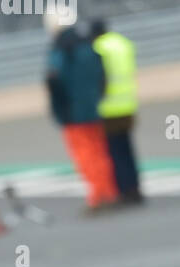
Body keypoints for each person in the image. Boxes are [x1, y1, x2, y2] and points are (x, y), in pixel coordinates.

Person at [44, 11, 117, 214]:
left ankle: (96, 197)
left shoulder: (60, 49)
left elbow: (55, 81)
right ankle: (108, 192)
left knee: (84, 155)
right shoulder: (87, 44)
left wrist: (60, 110)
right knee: (100, 151)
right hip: (92, 108)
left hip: (73, 113)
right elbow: (100, 74)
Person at [90, 19, 143, 204]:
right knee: (128, 150)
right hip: (128, 104)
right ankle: (136, 188)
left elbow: (99, 78)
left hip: (109, 108)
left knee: (115, 153)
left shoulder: (98, 47)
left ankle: (124, 191)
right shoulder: (122, 43)